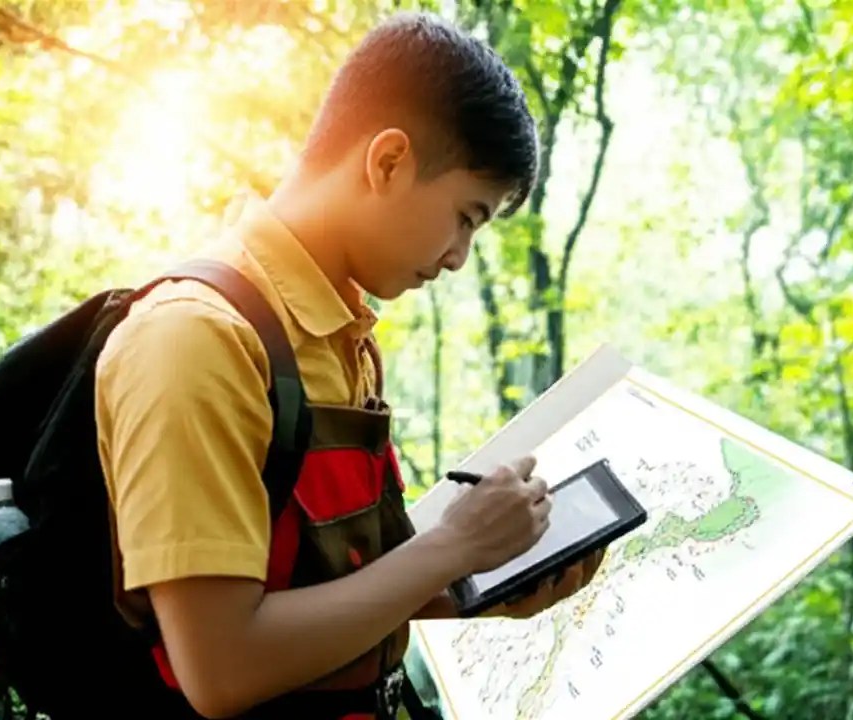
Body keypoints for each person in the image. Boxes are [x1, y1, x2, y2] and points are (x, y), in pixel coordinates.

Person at [93, 10, 602, 719]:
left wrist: (471, 587)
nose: (459, 257)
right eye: (466, 215)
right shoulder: (196, 340)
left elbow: (319, 587)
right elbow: (220, 670)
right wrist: (453, 547)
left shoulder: (343, 336)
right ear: (387, 161)